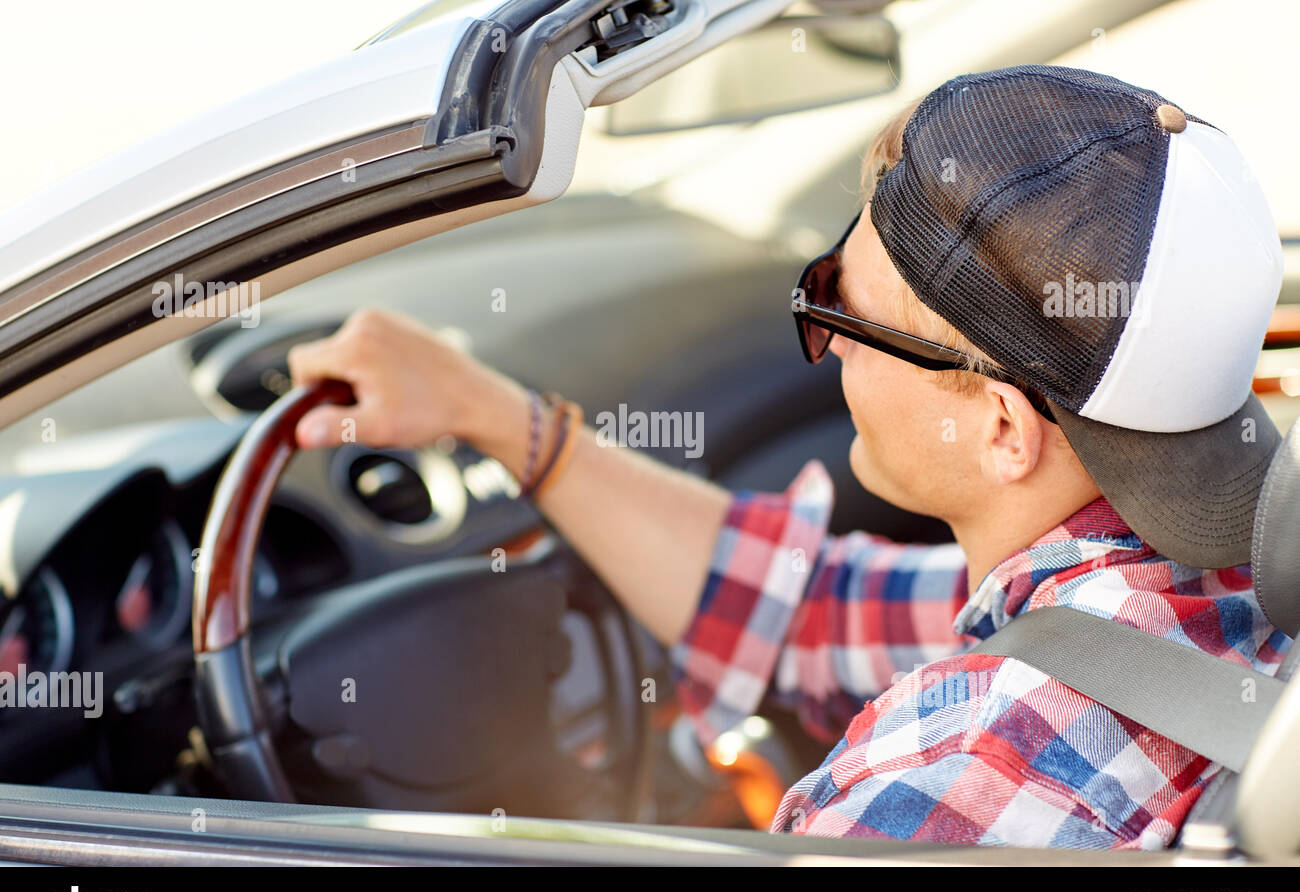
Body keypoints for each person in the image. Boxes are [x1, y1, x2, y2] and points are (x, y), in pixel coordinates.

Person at [286, 65, 1290, 850]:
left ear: (999, 428)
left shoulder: (938, 790)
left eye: (842, 310)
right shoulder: (1193, 584)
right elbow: (808, 608)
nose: (832, 343)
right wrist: (492, 414)